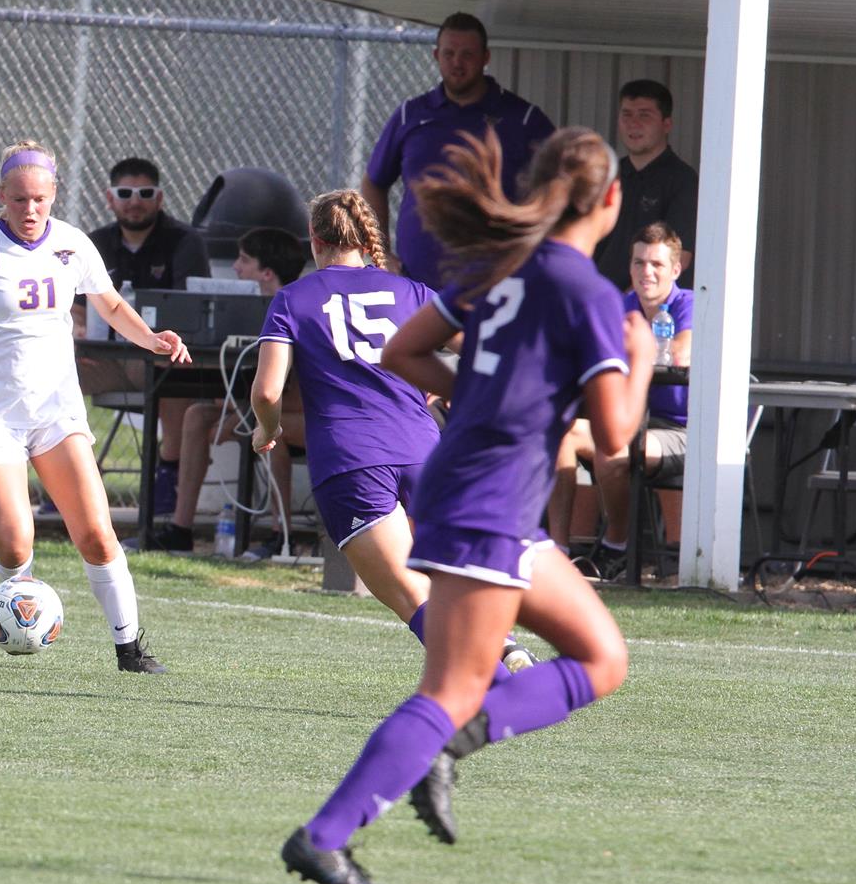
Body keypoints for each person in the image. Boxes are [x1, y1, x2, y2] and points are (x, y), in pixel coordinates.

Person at [281, 128, 656, 884]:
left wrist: (490, 391)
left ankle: (451, 749)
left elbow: (406, 354)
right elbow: (614, 434)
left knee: (603, 657)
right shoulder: (588, 291)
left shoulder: (499, 267)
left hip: (487, 490)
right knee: (450, 689)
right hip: (490, 498)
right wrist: (642, 357)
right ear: (611, 199)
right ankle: (324, 836)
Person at [0, 141, 191, 674]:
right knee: (16, 539)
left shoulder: (72, 244)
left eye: (40, 200)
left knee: (95, 532)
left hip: (55, 412)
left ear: (53, 196)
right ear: (1, 196)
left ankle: (131, 648)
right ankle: (16, 608)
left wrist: (150, 339)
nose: (30, 210)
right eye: (19, 199)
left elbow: (109, 303)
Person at [248, 193, 535, 686]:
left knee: (411, 593)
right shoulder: (413, 293)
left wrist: (267, 430)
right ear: (365, 239)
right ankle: (503, 646)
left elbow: (268, 391)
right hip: (425, 451)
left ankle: (498, 680)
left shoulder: (292, 299)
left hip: (351, 461)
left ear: (314, 241)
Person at [361, 12, 555, 292]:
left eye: (467, 55)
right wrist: (382, 256)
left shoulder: (523, 119)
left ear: (486, 57)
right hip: (416, 285)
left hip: (495, 287)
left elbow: (559, 189)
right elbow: (373, 183)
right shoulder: (410, 115)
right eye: (449, 53)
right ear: (436, 55)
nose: (457, 63)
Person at [149, 227, 307, 555]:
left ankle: (283, 536)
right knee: (197, 415)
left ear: (266, 272)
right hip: (261, 410)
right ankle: (181, 528)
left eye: (244, 260)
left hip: (301, 415)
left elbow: (291, 396)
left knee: (272, 431)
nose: (235, 267)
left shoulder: (294, 308)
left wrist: (246, 415)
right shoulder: (246, 311)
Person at [552, 223, 695, 578]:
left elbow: (680, 353)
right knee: (561, 433)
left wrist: (626, 355)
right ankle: (558, 550)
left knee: (612, 452)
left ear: (675, 269)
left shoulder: (689, 304)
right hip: (632, 420)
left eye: (657, 265)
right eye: (639, 263)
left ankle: (616, 548)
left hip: (683, 429)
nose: (646, 272)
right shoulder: (621, 304)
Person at [78, 156, 208, 520]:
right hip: (102, 360)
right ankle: (66, 479)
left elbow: (190, 309)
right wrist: (78, 330)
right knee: (54, 372)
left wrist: (151, 339)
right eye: (125, 193)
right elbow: (75, 307)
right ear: (110, 198)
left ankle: (167, 476)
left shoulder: (185, 242)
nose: (135, 201)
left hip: (156, 358)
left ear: (160, 198)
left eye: (145, 193)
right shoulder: (95, 243)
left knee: (167, 372)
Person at [597, 79, 698, 288]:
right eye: (627, 114)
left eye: (644, 115)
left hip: (651, 313)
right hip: (598, 304)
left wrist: (629, 302)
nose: (633, 123)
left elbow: (679, 258)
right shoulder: (606, 175)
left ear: (666, 124)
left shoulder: (683, 180)